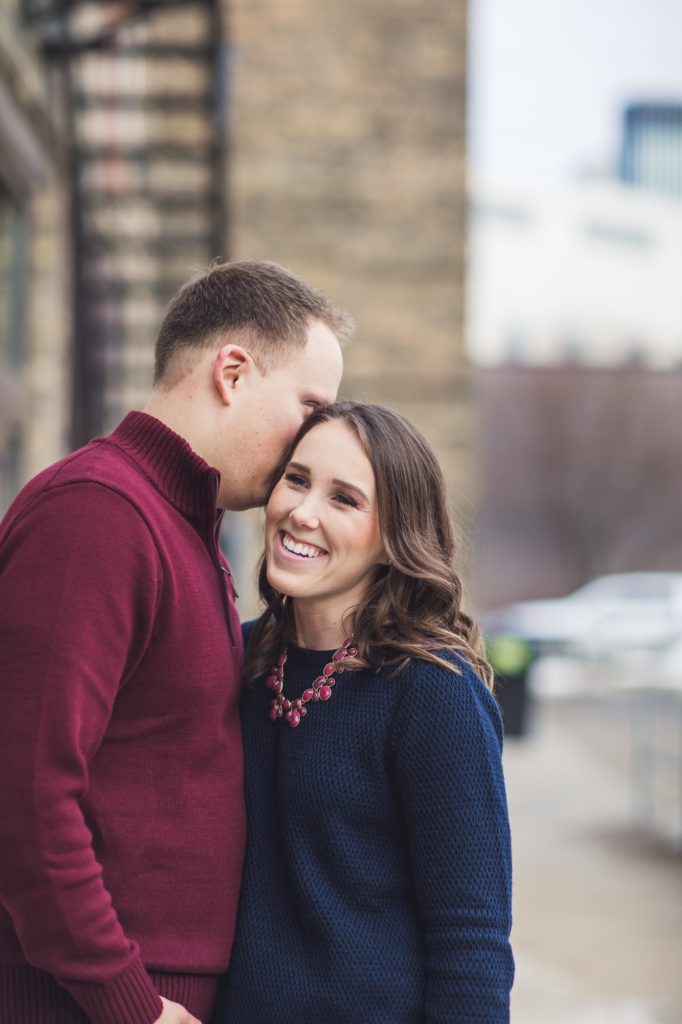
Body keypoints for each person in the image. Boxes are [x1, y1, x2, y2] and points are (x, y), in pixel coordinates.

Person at [0, 260, 351, 1024]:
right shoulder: (96, 515)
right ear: (233, 371)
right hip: (82, 1002)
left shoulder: (184, 530)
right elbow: (24, 791)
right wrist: (130, 1005)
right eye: (309, 405)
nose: (314, 436)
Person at [219, 401, 514, 1024]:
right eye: (296, 480)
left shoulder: (434, 693)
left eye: (344, 499)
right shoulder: (237, 656)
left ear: (392, 539)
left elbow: (471, 944)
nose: (302, 512)